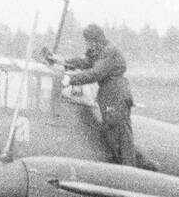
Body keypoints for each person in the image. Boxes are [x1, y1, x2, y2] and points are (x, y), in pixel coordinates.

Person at [45, 24, 135, 167]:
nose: (87, 45)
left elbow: (96, 73)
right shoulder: (102, 51)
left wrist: (71, 79)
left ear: (95, 40)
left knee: (120, 139)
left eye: (88, 41)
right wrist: (63, 61)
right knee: (114, 137)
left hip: (115, 97)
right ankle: (125, 168)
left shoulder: (108, 52)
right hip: (111, 98)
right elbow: (86, 62)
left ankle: (129, 172)